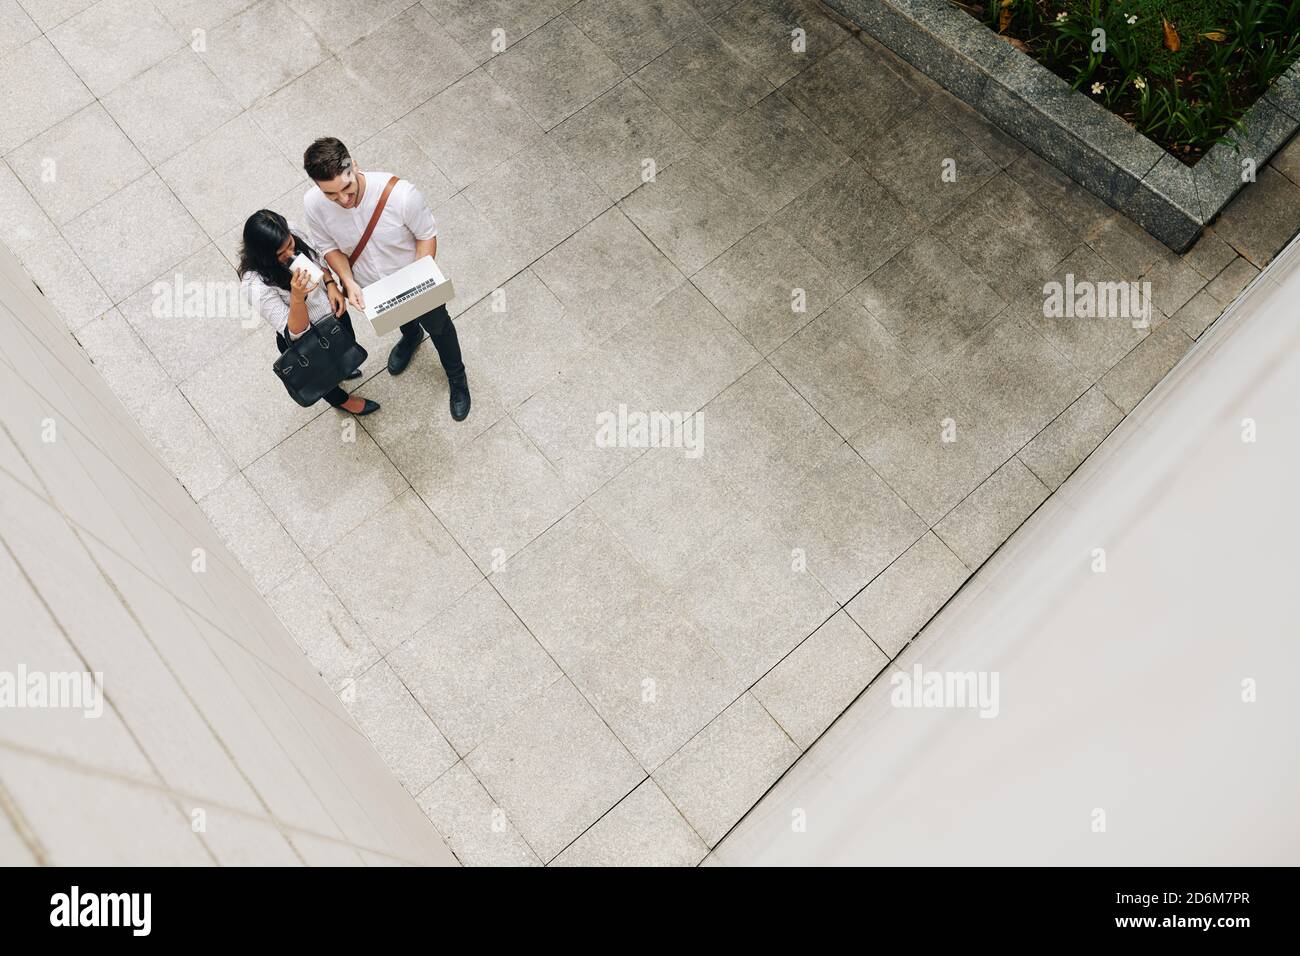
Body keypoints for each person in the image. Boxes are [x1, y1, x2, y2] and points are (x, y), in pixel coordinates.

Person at [301, 137, 470, 421]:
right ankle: (411, 335)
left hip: (413, 277)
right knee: (402, 319)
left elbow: (426, 236)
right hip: (372, 285)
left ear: (353, 165)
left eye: (347, 188)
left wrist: (419, 281)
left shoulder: (401, 195)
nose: (343, 200)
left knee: (439, 327)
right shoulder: (313, 204)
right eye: (331, 195)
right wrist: (348, 281)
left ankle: (457, 377)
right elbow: (328, 246)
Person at [237, 209, 379, 416]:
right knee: (322, 376)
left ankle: (343, 369)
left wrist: (330, 284)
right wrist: (297, 296)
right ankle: (342, 400)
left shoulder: (291, 232)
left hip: (332, 314)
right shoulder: (254, 285)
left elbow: (318, 258)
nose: (289, 254)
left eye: (289, 245)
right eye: (280, 254)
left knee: (346, 348)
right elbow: (294, 330)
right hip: (305, 339)